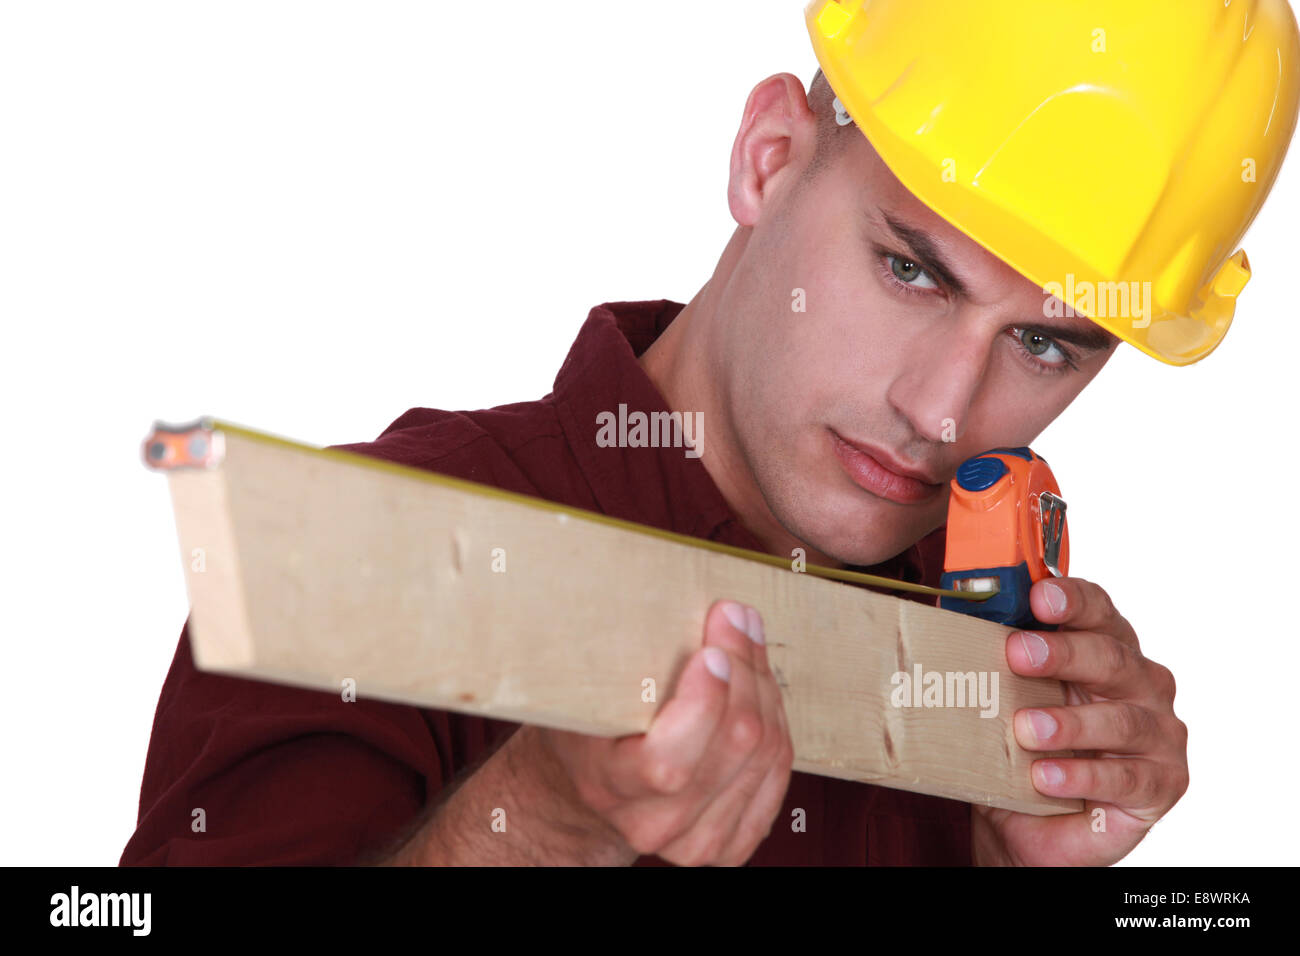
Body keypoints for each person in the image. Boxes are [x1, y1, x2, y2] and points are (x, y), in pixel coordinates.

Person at [122, 0, 1299, 865]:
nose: (943, 410)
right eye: (910, 270)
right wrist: (534, 827)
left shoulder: (985, 663)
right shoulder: (354, 565)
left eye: (1046, 343)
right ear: (768, 157)